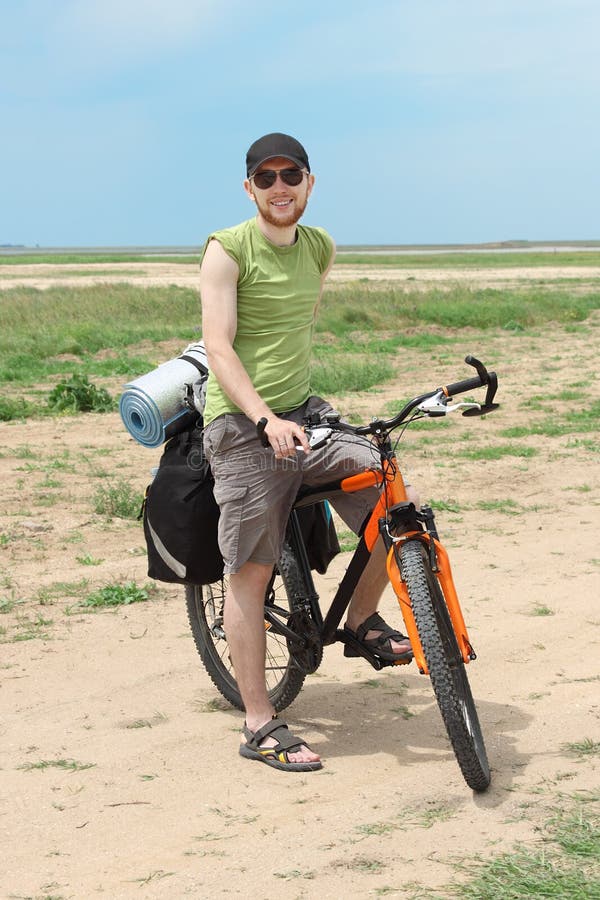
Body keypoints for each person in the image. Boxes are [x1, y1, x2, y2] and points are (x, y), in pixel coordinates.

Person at [199, 132, 416, 772]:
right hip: (240, 425)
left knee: (390, 496)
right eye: (265, 178)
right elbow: (219, 347)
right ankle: (258, 722)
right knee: (250, 570)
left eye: (290, 175)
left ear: (309, 183)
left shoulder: (319, 247)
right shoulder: (227, 249)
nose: (279, 187)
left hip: (301, 417)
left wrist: (292, 415)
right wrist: (263, 416)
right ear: (249, 189)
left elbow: (299, 325)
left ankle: (361, 619)